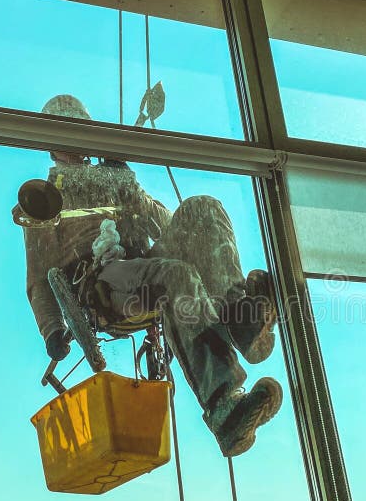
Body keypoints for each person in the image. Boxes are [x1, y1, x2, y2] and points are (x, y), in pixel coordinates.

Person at [21, 94, 281, 457]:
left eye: (78, 129)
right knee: (174, 275)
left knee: (202, 209)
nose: (73, 141)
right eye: (63, 133)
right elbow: (38, 277)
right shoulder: (46, 198)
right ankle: (224, 407)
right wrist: (52, 329)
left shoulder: (109, 178)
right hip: (102, 286)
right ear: (50, 146)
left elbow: (167, 226)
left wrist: (128, 187)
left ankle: (241, 319)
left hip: (140, 265)